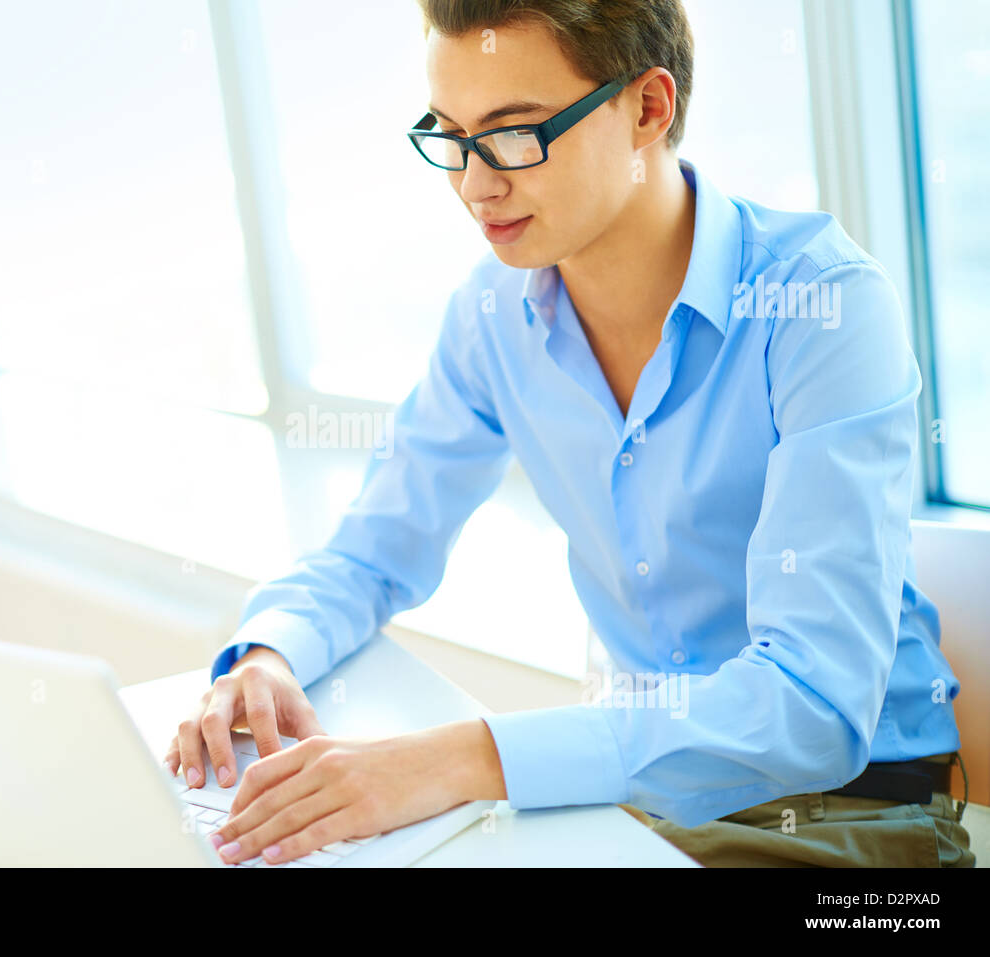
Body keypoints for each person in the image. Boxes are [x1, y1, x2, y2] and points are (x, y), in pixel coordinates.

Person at [163, 0, 973, 868]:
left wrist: (458, 760)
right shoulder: (493, 317)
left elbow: (813, 704)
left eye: (514, 135)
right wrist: (271, 650)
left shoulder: (822, 309)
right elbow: (375, 550)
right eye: (451, 136)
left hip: (859, 821)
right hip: (639, 812)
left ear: (647, 109)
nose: (476, 184)